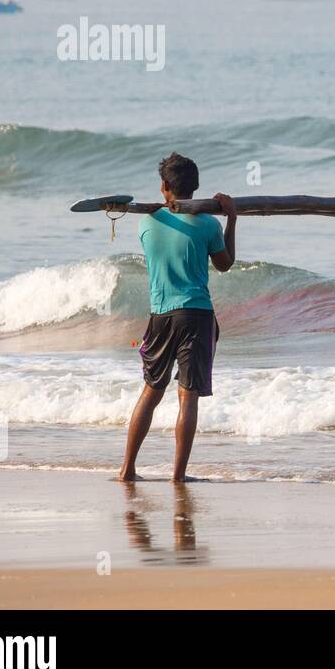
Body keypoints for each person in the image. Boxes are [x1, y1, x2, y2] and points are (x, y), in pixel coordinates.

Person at [117, 153, 236, 482]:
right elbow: (225, 264)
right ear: (196, 187)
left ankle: (127, 470)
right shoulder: (210, 224)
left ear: (163, 187)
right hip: (196, 314)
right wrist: (232, 219)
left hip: (160, 316)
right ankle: (178, 476)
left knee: (151, 391)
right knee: (188, 395)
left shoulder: (146, 223)